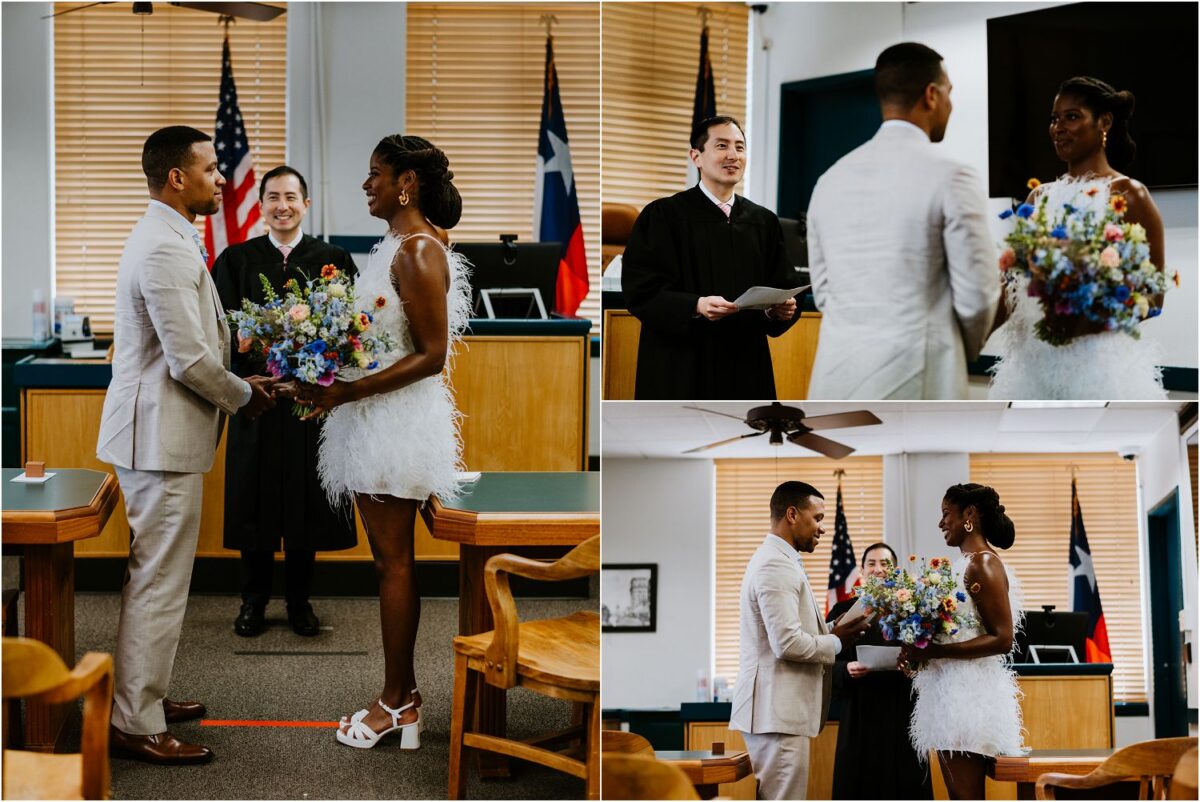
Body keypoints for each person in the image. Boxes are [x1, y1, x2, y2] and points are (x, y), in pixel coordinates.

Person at [277, 135, 471, 750]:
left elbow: (433, 356)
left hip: (395, 424)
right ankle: (402, 695)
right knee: (389, 562)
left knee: (394, 564)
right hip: (374, 418)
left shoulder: (416, 251)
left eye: (376, 175)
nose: (367, 185)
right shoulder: (398, 245)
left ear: (405, 183)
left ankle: (398, 702)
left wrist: (345, 392)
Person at [96, 126, 277, 764]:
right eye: (209, 168)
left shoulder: (169, 234)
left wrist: (240, 365)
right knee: (159, 583)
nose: (221, 179)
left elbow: (199, 342)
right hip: (158, 440)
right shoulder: (165, 248)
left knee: (158, 578)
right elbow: (188, 361)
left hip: (159, 435)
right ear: (179, 177)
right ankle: (135, 721)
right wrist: (247, 396)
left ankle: (143, 694)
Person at [212, 165, 359, 638]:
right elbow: (222, 332)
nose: (282, 205)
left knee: (304, 504)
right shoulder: (236, 260)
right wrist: (243, 382)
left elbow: (351, 328)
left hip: (308, 403)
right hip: (255, 401)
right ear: (260, 206)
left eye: (291, 196)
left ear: (306, 204)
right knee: (252, 502)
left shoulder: (332, 258)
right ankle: (252, 602)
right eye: (273, 196)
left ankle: (299, 601)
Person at [806, 43, 999, 400]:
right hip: (916, 378)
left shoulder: (829, 180)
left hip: (835, 376)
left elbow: (825, 291)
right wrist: (963, 350)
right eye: (949, 94)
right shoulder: (952, 176)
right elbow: (977, 296)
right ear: (931, 95)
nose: (950, 105)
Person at [988, 77, 1168, 399]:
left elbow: (1153, 296)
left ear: (1105, 122)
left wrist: (1084, 322)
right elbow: (1011, 286)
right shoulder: (1037, 199)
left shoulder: (1129, 194)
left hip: (1098, 367)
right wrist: (970, 338)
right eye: (1054, 119)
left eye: (1072, 116)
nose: (1058, 127)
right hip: (1033, 366)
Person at [621, 116, 800, 400]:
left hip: (744, 362)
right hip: (682, 364)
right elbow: (640, 291)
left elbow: (783, 285)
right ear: (697, 157)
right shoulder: (663, 216)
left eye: (740, 147)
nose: (733, 155)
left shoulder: (763, 221)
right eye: (722, 146)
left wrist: (780, 311)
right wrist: (696, 304)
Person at [729, 481, 870, 800]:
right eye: (817, 518)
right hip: (776, 712)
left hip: (780, 711)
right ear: (792, 514)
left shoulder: (782, 559)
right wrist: (836, 641)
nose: (822, 529)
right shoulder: (774, 564)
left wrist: (837, 626)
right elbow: (787, 643)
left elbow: (793, 629)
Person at [904, 484, 1025, 800]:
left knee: (966, 798)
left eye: (946, 514)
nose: (941, 523)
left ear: (969, 515)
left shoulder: (984, 564)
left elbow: (1002, 638)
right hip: (948, 693)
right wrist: (919, 651)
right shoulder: (963, 565)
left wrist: (936, 651)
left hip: (969, 699)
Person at [825, 543, 933, 800]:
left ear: (895, 570)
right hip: (860, 712)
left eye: (885, 564)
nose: (879, 569)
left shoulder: (913, 610)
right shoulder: (843, 611)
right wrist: (845, 669)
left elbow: (930, 657)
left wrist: (915, 667)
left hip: (903, 709)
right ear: (862, 570)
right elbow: (823, 660)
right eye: (872, 564)